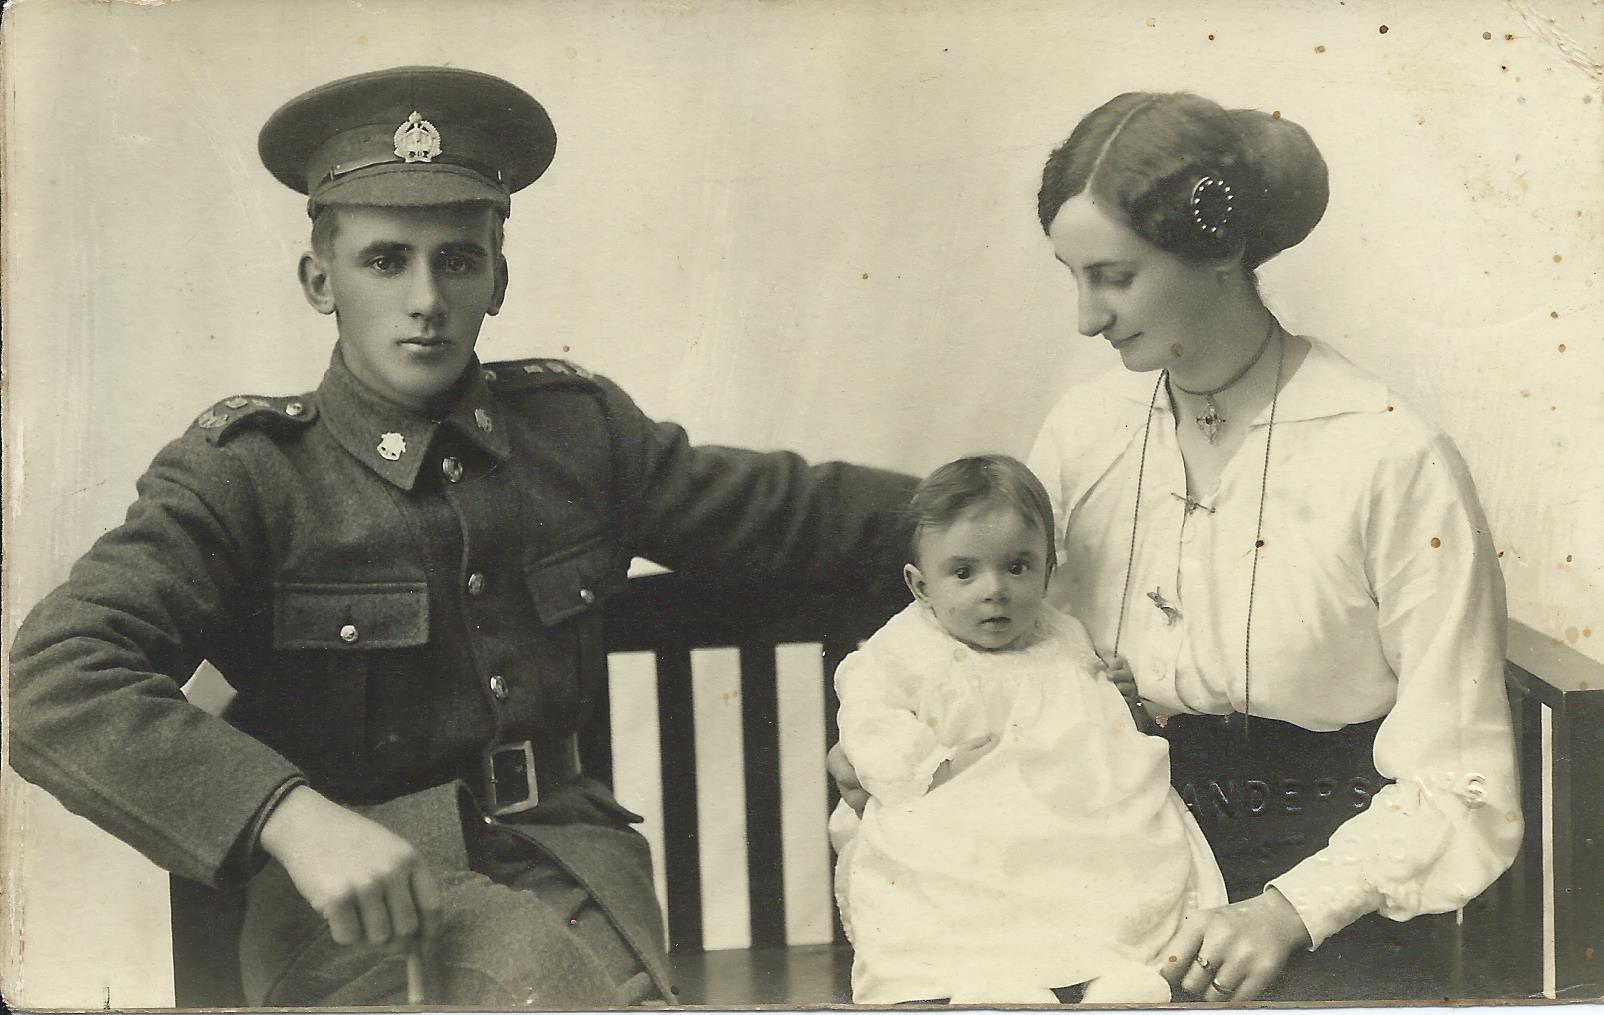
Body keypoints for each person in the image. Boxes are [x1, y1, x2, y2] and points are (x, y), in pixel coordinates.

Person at [7, 66, 914, 1008]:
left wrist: (1021, 508)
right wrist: (290, 817)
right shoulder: (250, 473)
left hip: (570, 869)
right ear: (321, 280)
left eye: (459, 259)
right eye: (386, 260)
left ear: (499, 276)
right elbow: (58, 678)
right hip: (355, 915)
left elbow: (801, 515)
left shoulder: (577, 435)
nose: (426, 298)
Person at [831, 91, 1520, 1003]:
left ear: (1222, 250)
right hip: (1092, 857)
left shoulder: (1389, 455)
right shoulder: (1087, 431)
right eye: (1071, 277)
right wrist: (892, 739)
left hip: (1319, 881)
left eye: (1114, 276)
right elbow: (1006, 641)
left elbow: (1459, 774)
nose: (1085, 318)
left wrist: (1286, 910)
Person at [827, 455, 1225, 1005]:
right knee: (957, 877)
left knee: (1111, 860)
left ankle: (1112, 965)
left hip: (1066, 817)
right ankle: (989, 977)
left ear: (1047, 569)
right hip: (957, 813)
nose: (995, 589)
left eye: (1017, 567)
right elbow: (870, 719)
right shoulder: (902, 651)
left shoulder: (1062, 635)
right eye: (964, 573)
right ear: (921, 586)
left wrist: (1120, 700)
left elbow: (1099, 731)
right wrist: (929, 767)